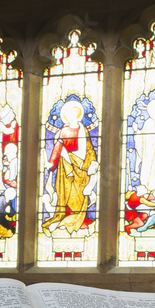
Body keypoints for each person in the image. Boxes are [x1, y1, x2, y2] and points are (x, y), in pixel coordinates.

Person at [43, 99, 98, 235]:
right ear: (67, 116)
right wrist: (52, 162)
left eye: (75, 113)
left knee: (80, 192)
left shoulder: (83, 129)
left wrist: (92, 162)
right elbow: (58, 147)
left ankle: (81, 219)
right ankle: (66, 217)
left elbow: (90, 148)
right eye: (70, 114)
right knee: (66, 192)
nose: (73, 116)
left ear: (78, 114)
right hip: (66, 164)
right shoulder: (64, 130)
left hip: (82, 166)